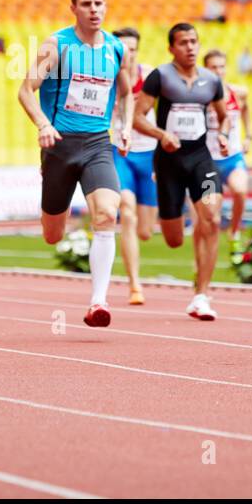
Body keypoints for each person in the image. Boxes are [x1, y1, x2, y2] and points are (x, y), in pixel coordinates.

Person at [17, 0, 133, 328]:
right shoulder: (57, 46)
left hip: (98, 143)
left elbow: (127, 93)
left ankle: (98, 302)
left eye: (99, 4)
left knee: (107, 214)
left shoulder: (116, 49)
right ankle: (57, 218)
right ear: (74, 9)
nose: (94, 10)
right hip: (59, 146)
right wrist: (42, 125)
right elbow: (25, 90)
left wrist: (125, 126)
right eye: (87, 4)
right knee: (53, 233)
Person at [132, 23, 231, 321]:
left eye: (194, 42)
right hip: (169, 163)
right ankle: (196, 267)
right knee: (174, 238)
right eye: (183, 43)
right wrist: (162, 135)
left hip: (201, 159)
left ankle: (201, 295)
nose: (190, 47)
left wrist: (223, 135)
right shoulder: (160, 77)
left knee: (212, 218)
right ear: (171, 48)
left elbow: (223, 117)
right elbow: (137, 118)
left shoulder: (212, 80)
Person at [110, 27, 156, 305]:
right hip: (120, 152)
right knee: (126, 212)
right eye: (123, 49)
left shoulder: (150, 76)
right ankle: (134, 285)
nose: (128, 54)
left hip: (149, 153)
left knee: (146, 231)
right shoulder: (106, 77)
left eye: (133, 49)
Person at [203, 49, 251, 250]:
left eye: (221, 66)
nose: (218, 71)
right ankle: (207, 251)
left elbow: (246, 108)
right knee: (210, 215)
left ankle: (234, 231)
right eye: (213, 67)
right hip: (208, 163)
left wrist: (248, 135)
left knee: (240, 191)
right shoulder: (199, 97)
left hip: (232, 158)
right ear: (205, 69)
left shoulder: (238, 92)